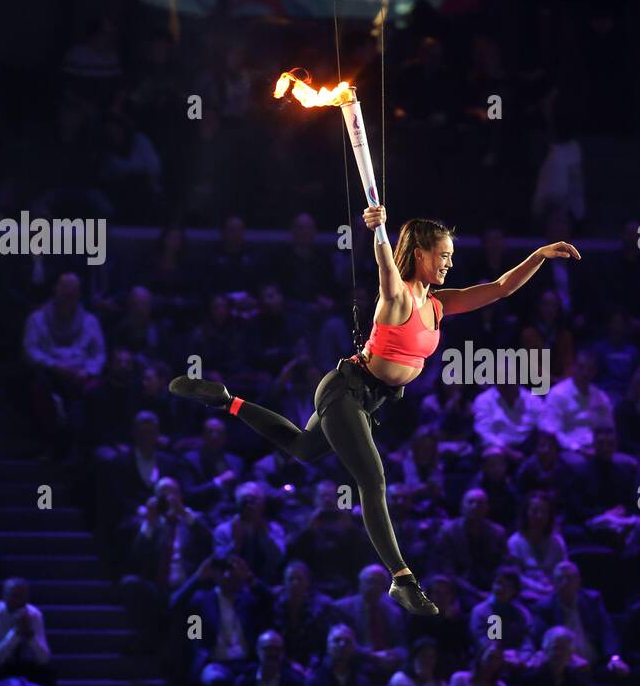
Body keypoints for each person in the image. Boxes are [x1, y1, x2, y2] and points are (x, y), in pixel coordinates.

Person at [170, 208, 581, 616]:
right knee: (373, 479)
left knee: (301, 447)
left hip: (368, 401)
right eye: (443, 255)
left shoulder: (437, 305)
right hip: (344, 392)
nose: (450, 263)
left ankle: (224, 399)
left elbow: (500, 287)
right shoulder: (398, 295)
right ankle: (401, 579)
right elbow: (385, 265)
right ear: (419, 253)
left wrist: (540, 255)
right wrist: (379, 229)